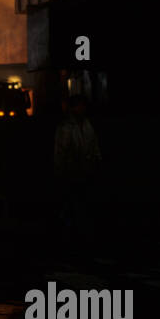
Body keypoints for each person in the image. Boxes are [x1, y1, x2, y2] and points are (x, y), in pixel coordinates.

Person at [53, 93, 102, 245]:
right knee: (73, 204)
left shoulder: (85, 125)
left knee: (80, 204)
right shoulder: (68, 127)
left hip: (83, 171)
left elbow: (94, 146)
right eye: (80, 105)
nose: (82, 108)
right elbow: (60, 152)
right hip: (72, 173)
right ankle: (72, 235)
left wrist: (96, 161)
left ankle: (76, 234)